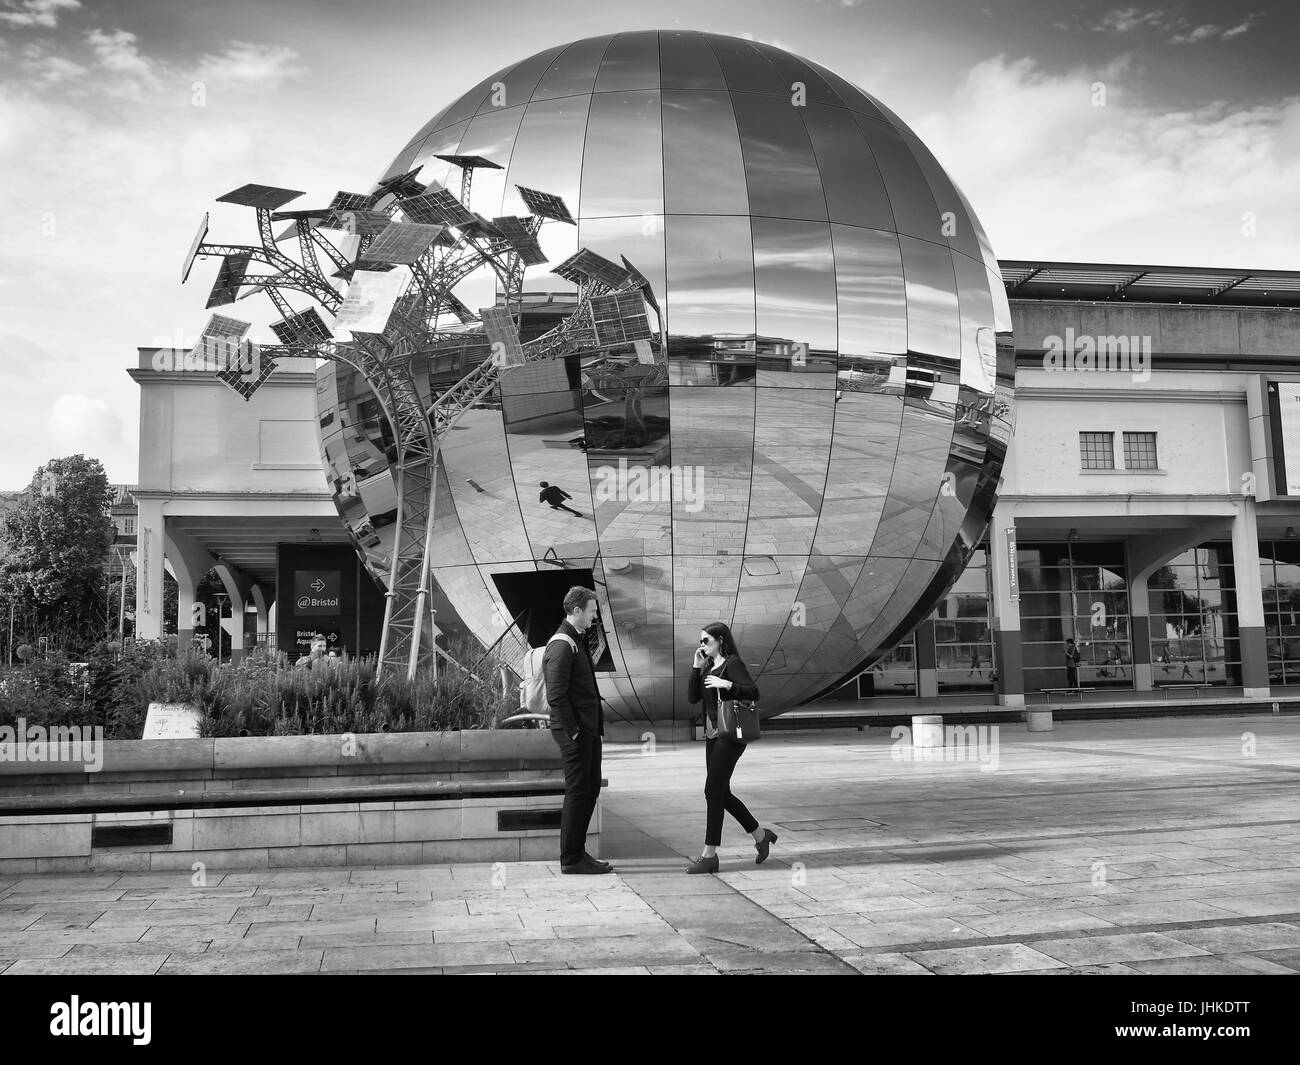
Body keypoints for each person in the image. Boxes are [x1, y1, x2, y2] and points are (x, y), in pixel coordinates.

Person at [685, 621, 777, 874]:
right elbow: (693, 697)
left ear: (721, 641)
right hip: (714, 735)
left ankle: (709, 855)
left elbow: (753, 692)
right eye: (700, 641)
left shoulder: (731, 664)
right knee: (720, 793)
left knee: (712, 790)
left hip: (732, 734)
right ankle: (761, 836)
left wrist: (727, 685)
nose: (702, 645)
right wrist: (696, 667)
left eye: (706, 641)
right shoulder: (707, 667)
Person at [544, 586, 610, 875]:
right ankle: (571, 858)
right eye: (592, 611)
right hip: (577, 733)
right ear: (576, 611)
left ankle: (578, 853)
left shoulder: (575, 640)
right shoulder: (562, 644)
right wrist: (573, 733)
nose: (595, 617)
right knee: (578, 791)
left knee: (590, 788)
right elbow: (556, 695)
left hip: (588, 730)